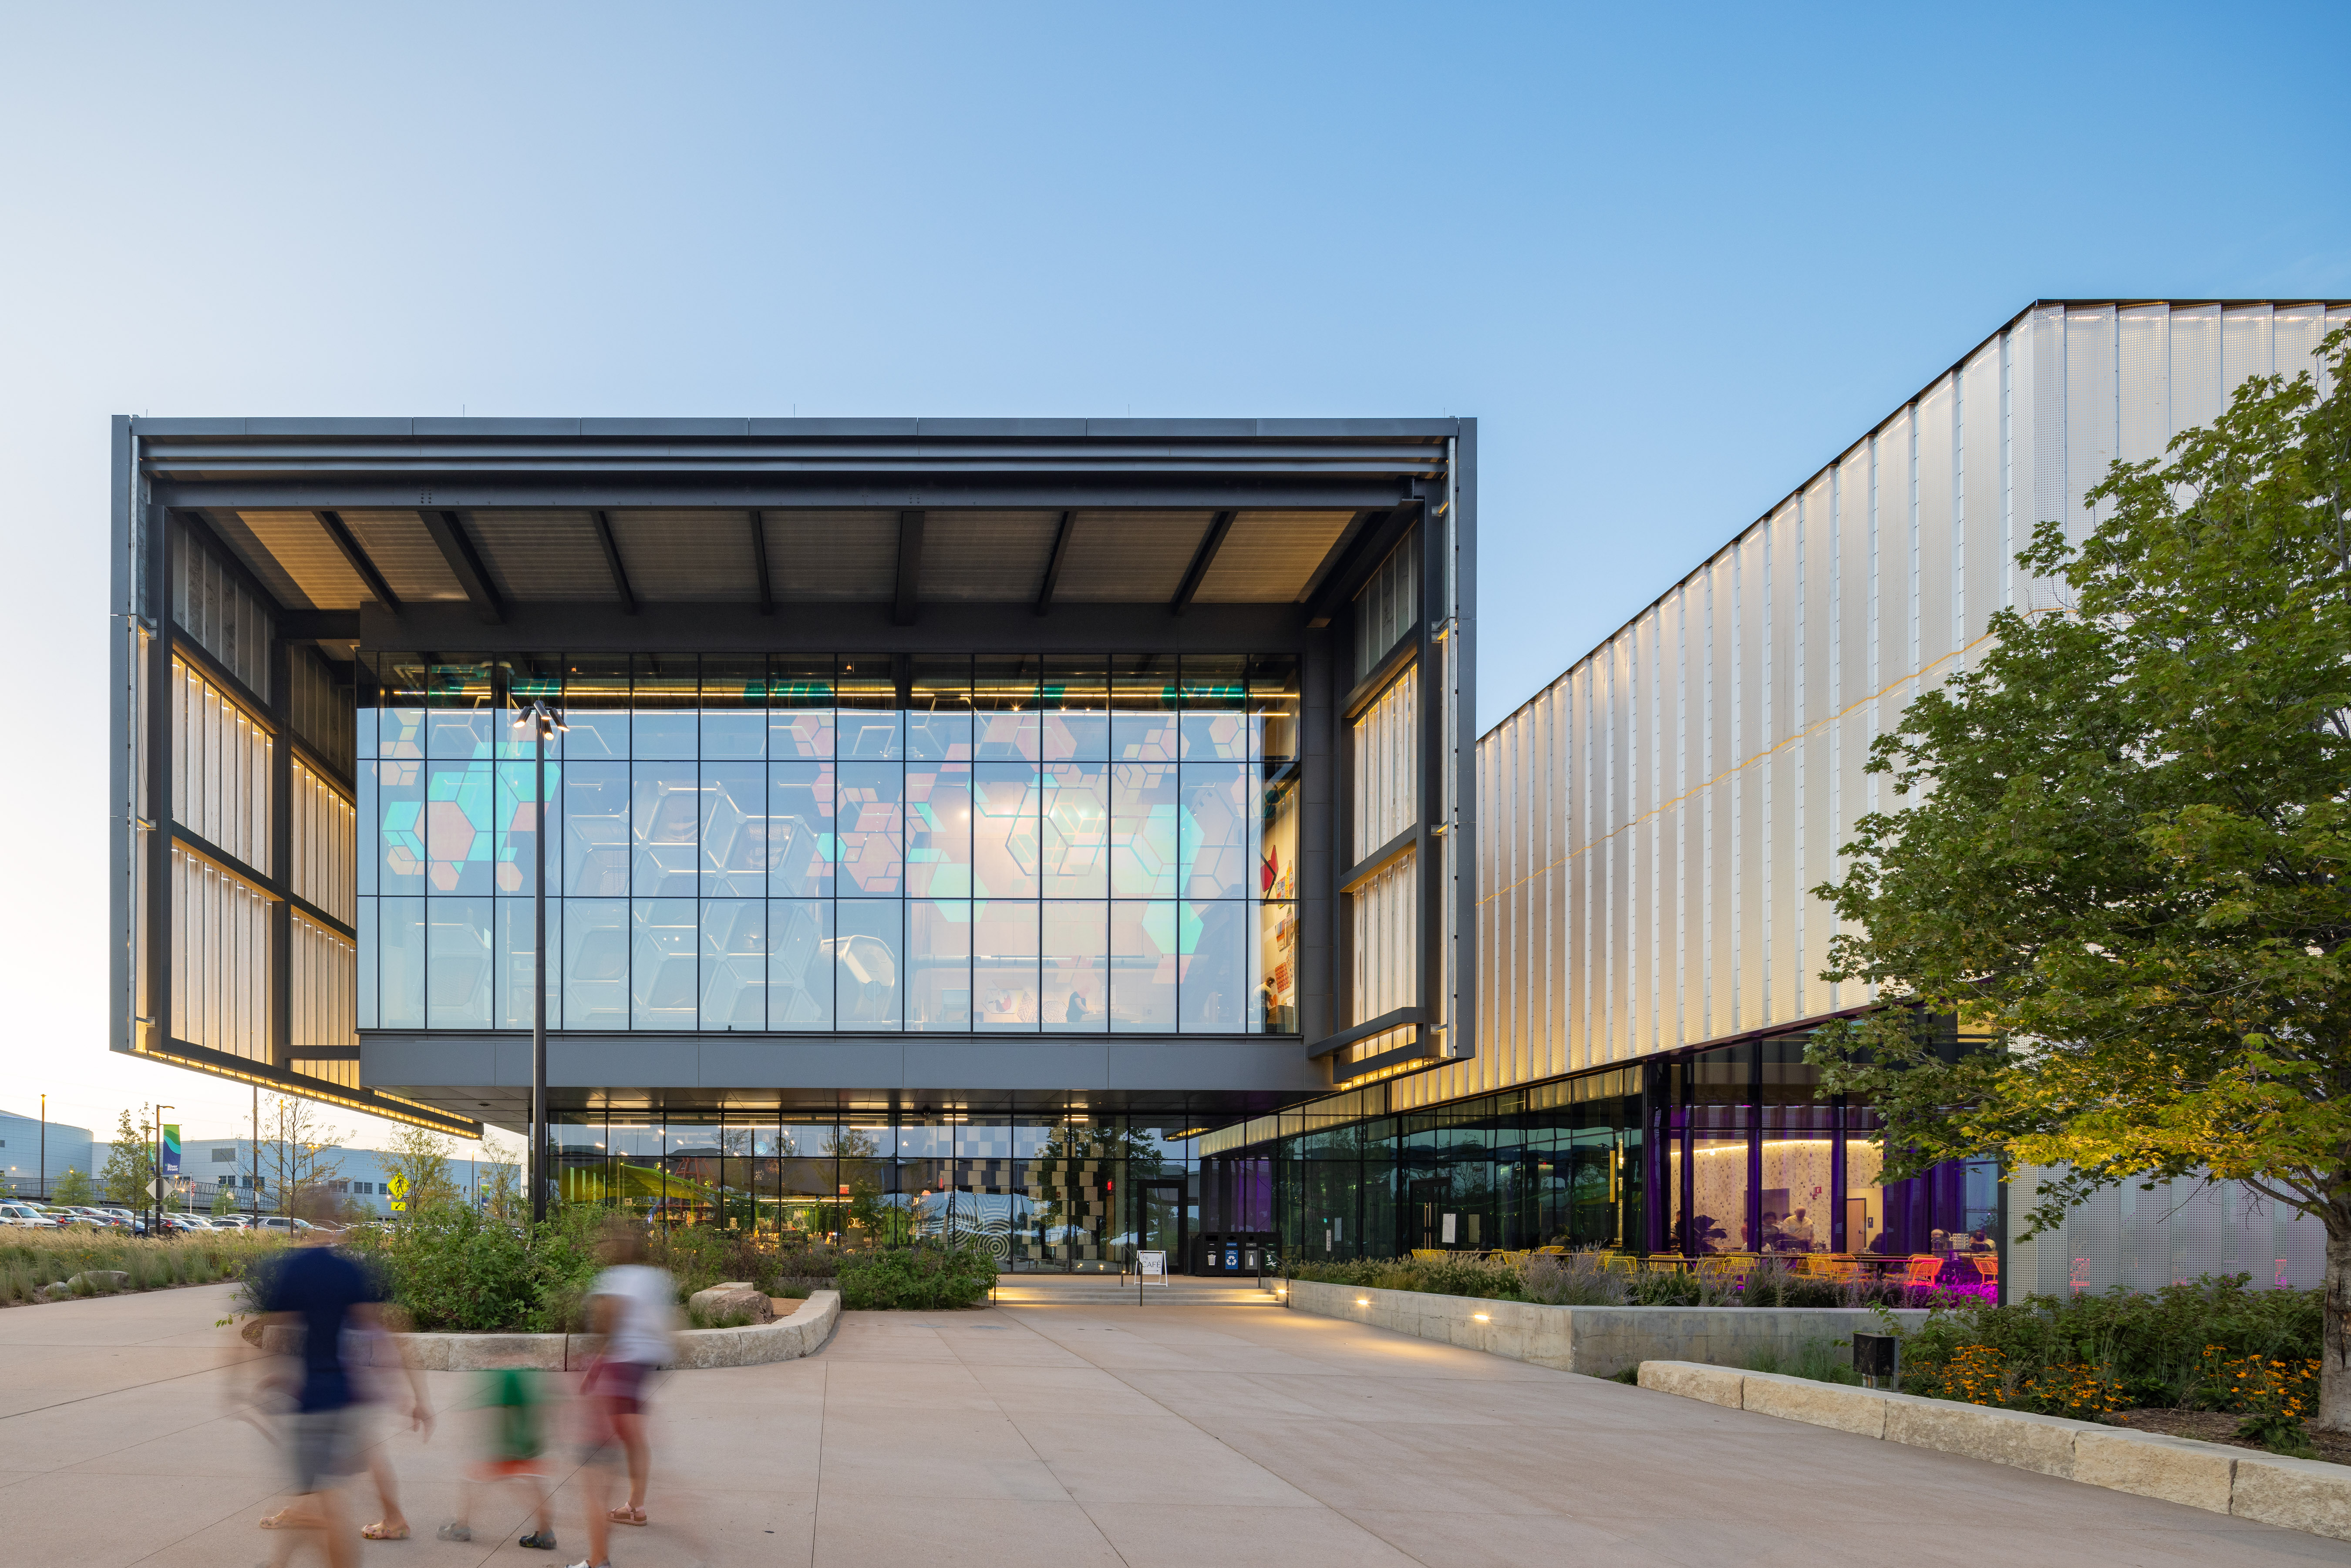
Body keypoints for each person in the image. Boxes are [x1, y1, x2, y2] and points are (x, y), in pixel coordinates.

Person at [254, 1193, 422, 1568]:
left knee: (328, 1485)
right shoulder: (351, 1270)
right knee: (340, 1469)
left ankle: (316, 1516)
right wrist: (413, 1394)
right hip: (350, 1387)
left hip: (338, 1387)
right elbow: (389, 1327)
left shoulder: (306, 1268)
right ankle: (304, 1518)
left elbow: (279, 1325)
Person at [569, 1218, 676, 1568]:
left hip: (623, 1367)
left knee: (600, 1461)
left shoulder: (614, 1279)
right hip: (643, 1365)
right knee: (634, 1438)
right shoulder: (655, 1279)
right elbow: (662, 1324)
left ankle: (599, 1557)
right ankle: (635, 1506)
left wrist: (597, 1369)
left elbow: (611, 1324)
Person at [439, 1360, 559, 1550]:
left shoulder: (507, 1385)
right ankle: (546, 1534)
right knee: (533, 1483)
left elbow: (501, 1417)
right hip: (526, 1449)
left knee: (473, 1479)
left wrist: (499, 1449)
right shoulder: (525, 1388)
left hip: (507, 1452)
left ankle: (461, 1527)